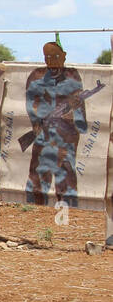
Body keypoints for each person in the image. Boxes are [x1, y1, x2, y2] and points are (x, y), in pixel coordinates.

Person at [24, 42, 89, 207]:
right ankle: (34, 211)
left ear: (65, 56)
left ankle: (67, 211)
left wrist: (80, 125)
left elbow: (79, 101)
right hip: (43, 134)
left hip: (66, 135)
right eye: (48, 57)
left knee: (66, 173)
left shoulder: (72, 76)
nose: (52, 61)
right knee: (38, 174)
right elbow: (31, 101)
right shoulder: (36, 76)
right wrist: (36, 122)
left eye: (56, 56)